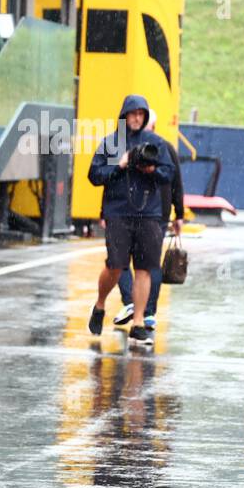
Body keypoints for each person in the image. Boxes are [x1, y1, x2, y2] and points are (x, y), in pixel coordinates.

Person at [87, 94, 176, 347]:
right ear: (124, 115)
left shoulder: (155, 143)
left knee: (145, 268)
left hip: (149, 214)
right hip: (117, 212)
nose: (137, 118)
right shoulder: (111, 142)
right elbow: (94, 175)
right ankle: (100, 304)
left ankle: (138, 322)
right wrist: (120, 165)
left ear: (145, 116)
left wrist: (152, 170)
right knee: (115, 266)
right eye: (133, 113)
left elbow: (170, 173)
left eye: (141, 114)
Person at [111, 109, 184, 332]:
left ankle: (140, 307)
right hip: (142, 212)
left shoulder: (162, 148)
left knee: (138, 262)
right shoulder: (131, 148)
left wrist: (178, 213)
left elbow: (174, 181)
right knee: (136, 261)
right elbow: (114, 183)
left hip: (153, 213)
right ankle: (142, 308)